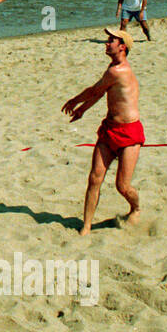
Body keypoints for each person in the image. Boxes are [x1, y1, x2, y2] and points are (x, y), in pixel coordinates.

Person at [61, 29, 143, 236]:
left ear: (122, 47)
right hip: (110, 129)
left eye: (111, 41)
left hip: (129, 132)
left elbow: (93, 90)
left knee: (122, 186)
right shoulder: (112, 68)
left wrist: (74, 101)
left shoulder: (119, 71)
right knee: (95, 178)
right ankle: (86, 226)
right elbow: (102, 92)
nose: (106, 44)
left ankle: (136, 208)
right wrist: (82, 109)